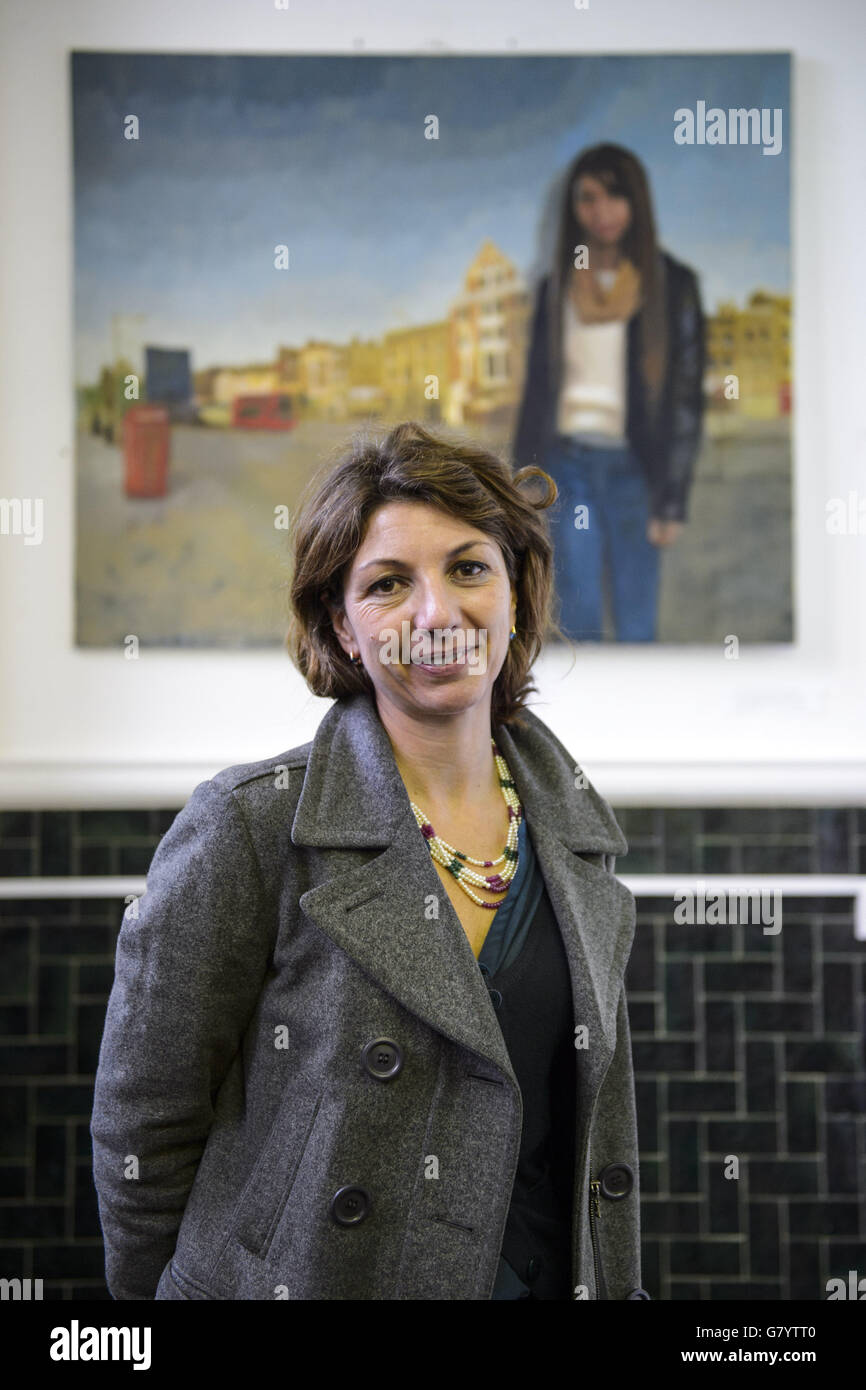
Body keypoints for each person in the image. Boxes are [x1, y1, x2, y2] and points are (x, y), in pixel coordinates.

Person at [90, 419, 649, 1301]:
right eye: (389, 584)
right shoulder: (247, 827)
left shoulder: (577, 836)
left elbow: (590, 1147)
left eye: (469, 568)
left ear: (514, 594)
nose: (437, 612)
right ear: (343, 628)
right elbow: (143, 1126)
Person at [513, 142, 706, 642]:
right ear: (573, 209)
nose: (602, 212)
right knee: (577, 622)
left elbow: (685, 404)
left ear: (636, 203)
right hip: (567, 469)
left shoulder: (673, 285)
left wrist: (671, 501)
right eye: (588, 198)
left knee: (638, 620)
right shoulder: (556, 290)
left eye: (615, 197)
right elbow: (536, 396)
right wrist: (522, 487)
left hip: (636, 472)